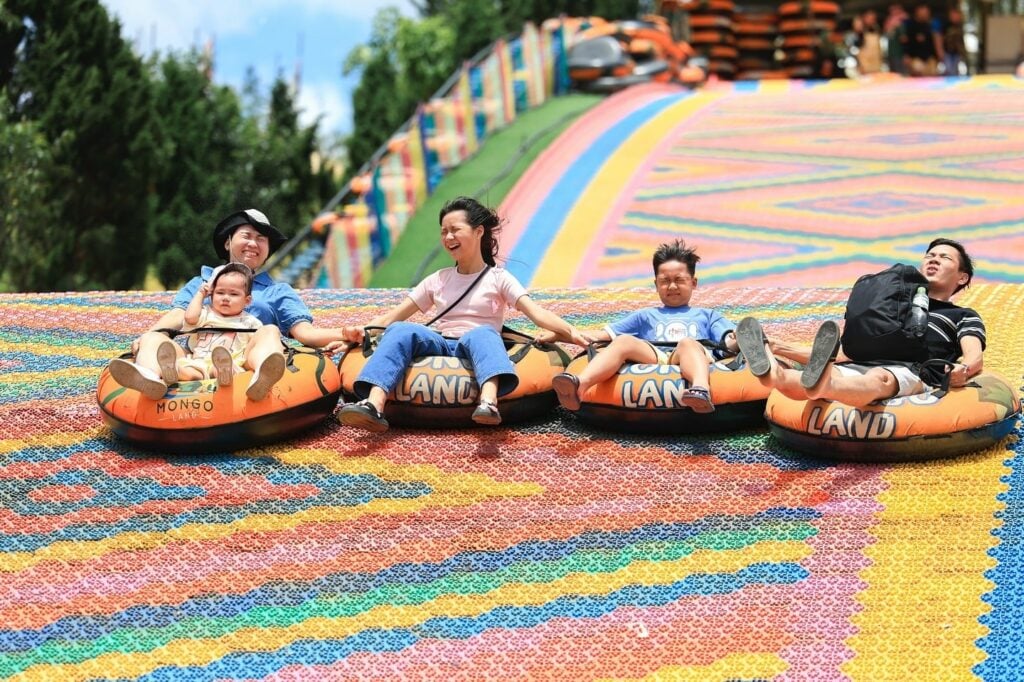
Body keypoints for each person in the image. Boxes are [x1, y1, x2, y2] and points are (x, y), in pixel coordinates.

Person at [333, 196, 587, 433]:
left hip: (477, 342)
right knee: (400, 329)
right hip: (441, 343)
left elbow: (536, 313)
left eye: (455, 229)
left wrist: (572, 333)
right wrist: (355, 335)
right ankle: (374, 405)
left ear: (478, 232)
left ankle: (488, 402)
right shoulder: (438, 279)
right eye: (444, 231)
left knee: (485, 333)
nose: (448, 237)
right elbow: (390, 318)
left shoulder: (498, 279)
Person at [108, 208, 344, 401]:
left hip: (244, 355)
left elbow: (306, 333)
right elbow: (179, 317)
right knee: (154, 339)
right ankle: (149, 377)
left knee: (269, 331)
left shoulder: (277, 291)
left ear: (268, 251)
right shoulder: (201, 283)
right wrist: (148, 335)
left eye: (261, 239)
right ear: (228, 243)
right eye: (246, 235)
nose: (254, 243)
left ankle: (262, 376)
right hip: (200, 351)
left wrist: (347, 333)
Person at [735, 238, 984, 407]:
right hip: (861, 362)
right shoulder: (895, 303)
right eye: (930, 255)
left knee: (878, 377)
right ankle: (774, 375)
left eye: (944, 258)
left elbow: (974, 356)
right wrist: (778, 346)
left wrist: (964, 370)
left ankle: (823, 386)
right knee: (814, 374)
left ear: (962, 277)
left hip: (911, 370)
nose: (933, 259)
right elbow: (846, 353)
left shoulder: (961, 315)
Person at [549, 239, 739, 414]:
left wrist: (741, 338)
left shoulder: (707, 315)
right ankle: (580, 385)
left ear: (693, 282)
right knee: (623, 340)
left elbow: (729, 340)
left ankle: (700, 389)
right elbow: (601, 335)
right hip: (657, 356)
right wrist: (561, 334)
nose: (672, 286)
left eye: (679, 280)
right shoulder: (645, 315)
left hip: (692, 352)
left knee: (687, 343)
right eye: (664, 281)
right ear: (656, 284)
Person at [170, 263, 273, 390]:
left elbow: (256, 346)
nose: (225, 298)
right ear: (212, 295)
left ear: (247, 301)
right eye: (220, 292)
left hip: (230, 364)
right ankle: (171, 370)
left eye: (233, 294)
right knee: (187, 370)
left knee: (223, 367)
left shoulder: (250, 322)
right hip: (199, 363)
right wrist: (201, 293)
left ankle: (254, 374)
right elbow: (189, 317)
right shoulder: (205, 313)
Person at [903, 3, 942, 76]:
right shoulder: (910, 25)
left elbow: (934, 42)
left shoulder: (930, 25)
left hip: (930, 58)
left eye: (927, 12)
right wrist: (906, 55)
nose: (926, 14)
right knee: (919, 74)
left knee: (933, 75)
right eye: (924, 12)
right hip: (916, 58)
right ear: (918, 11)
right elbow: (906, 42)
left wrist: (938, 56)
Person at [884, 4, 909, 74]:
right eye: (891, 10)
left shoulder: (903, 23)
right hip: (891, 54)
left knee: (901, 75)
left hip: (900, 55)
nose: (893, 12)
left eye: (895, 9)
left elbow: (904, 40)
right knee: (894, 75)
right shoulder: (889, 23)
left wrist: (906, 54)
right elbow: (886, 35)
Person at [942, 6, 967, 76]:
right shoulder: (946, 26)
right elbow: (942, 39)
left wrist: (963, 51)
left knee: (955, 70)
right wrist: (941, 51)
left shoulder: (960, 26)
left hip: (957, 52)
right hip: (948, 51)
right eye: (953, 15)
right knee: (949, 69)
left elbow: (961, 40)